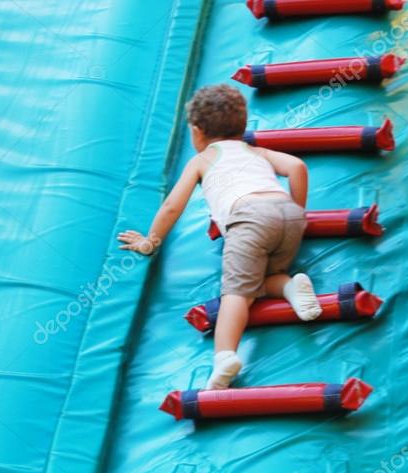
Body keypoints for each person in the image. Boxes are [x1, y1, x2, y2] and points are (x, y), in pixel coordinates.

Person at [118, 84, 321, 389]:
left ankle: (225, 356)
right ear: (242, 126)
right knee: (263, 277)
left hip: (249, 219)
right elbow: (297, 166)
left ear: (197, 132)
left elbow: (173, 206)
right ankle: (292, 286)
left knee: (237, 294)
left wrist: (150, 242)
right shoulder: (256, 152)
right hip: (288, 216)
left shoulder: (201, 161)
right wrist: (298, 212)